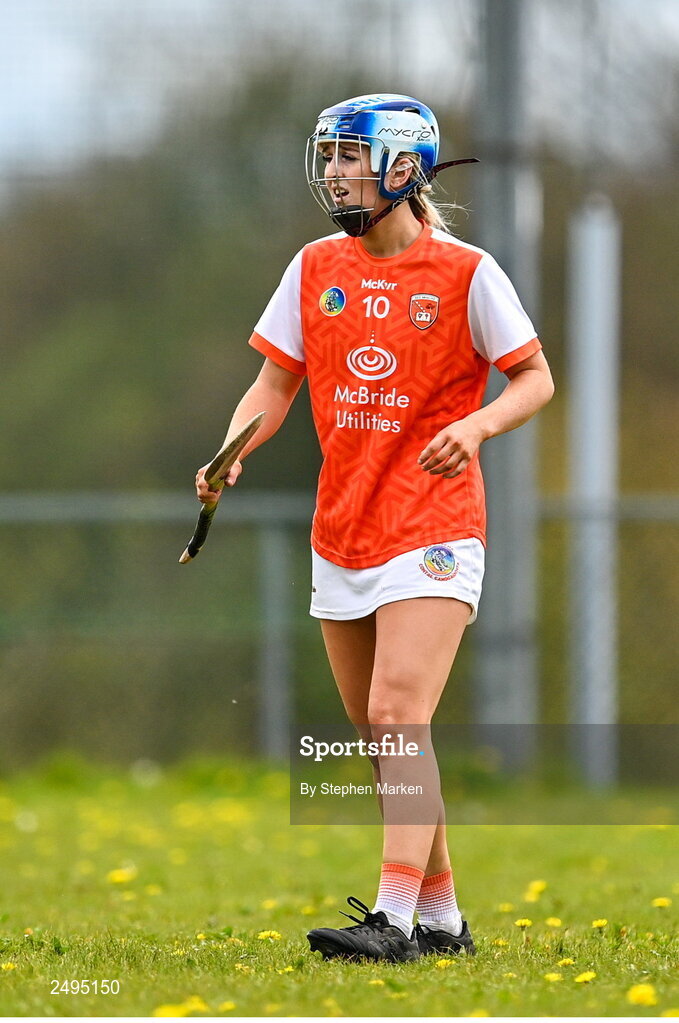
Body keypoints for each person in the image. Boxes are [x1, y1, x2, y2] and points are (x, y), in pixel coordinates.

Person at [194, 94, 554, 963]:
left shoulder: (468, 273)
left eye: (350, 157)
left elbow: (533, 378)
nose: (333, 172)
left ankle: (390, 922)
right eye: (327, 157)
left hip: (434, 523)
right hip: (343, 526)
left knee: (398, 713)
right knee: (384, 737)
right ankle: (443, 923)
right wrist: (233, 446)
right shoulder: (315, 266)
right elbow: (275, 383)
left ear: (402, 167)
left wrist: (473, 429)